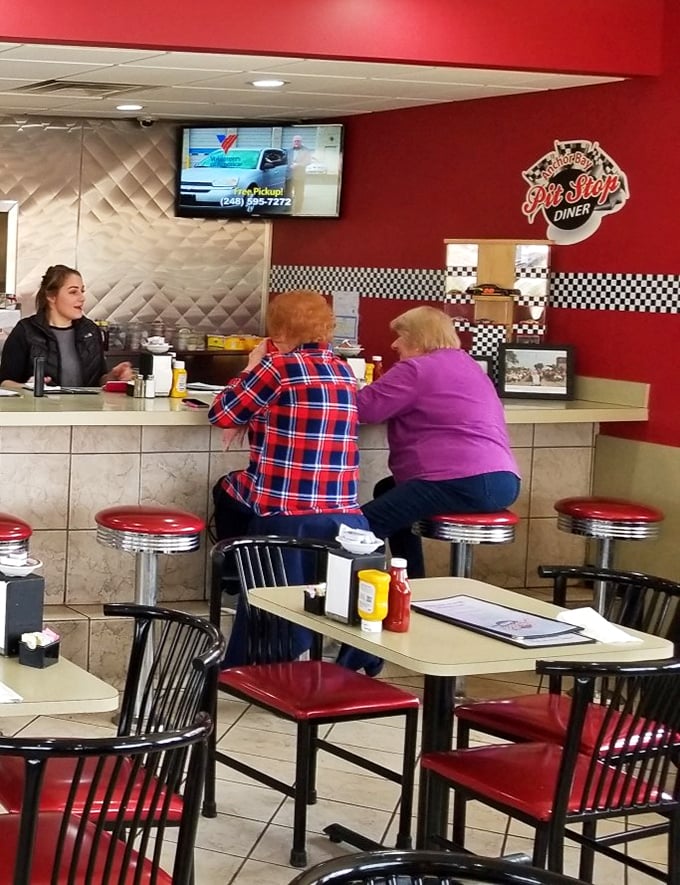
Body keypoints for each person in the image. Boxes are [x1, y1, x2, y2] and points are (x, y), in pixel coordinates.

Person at [209, 289, 382, 673]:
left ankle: (238, 584)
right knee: (235, 487)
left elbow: (220, 412)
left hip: (283, 513)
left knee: (230, 489)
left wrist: (252, 366)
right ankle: (318, 641)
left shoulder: (277, 369)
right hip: (346, 517)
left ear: (280, 330)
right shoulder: (343, 371)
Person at [357, 306, 521, 579]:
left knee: (359, 527)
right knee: (388, 490)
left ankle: (357, 595)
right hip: (502, 481)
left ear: (420, 338)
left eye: (401, 335)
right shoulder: (467, 364)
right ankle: (410, 581)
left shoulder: (417, 369)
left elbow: (363, 408)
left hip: (459, 481)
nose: (394, 343)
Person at [0, 264, 133, 389]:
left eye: (82, 291)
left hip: (87, 412)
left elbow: (98, 381)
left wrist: (113, 377)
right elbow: (4, 382)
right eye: (73, 292)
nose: (82, 298)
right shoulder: (26, 330)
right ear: (51, 296)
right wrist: (29, 387)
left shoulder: (91, 331)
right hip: (41, 412)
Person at [288, 135, 315, 214]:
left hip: (300, 176)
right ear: (292, 141)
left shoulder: (306, 150)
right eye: (295, 141)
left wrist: (298, 165)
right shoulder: (289, 150)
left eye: (298, 141)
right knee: (288, 193)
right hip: (289, 176)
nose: (296, 142)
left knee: (299, 194)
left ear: (301, 142)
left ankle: (297, 210)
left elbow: (308, 161)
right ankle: (288, 208)